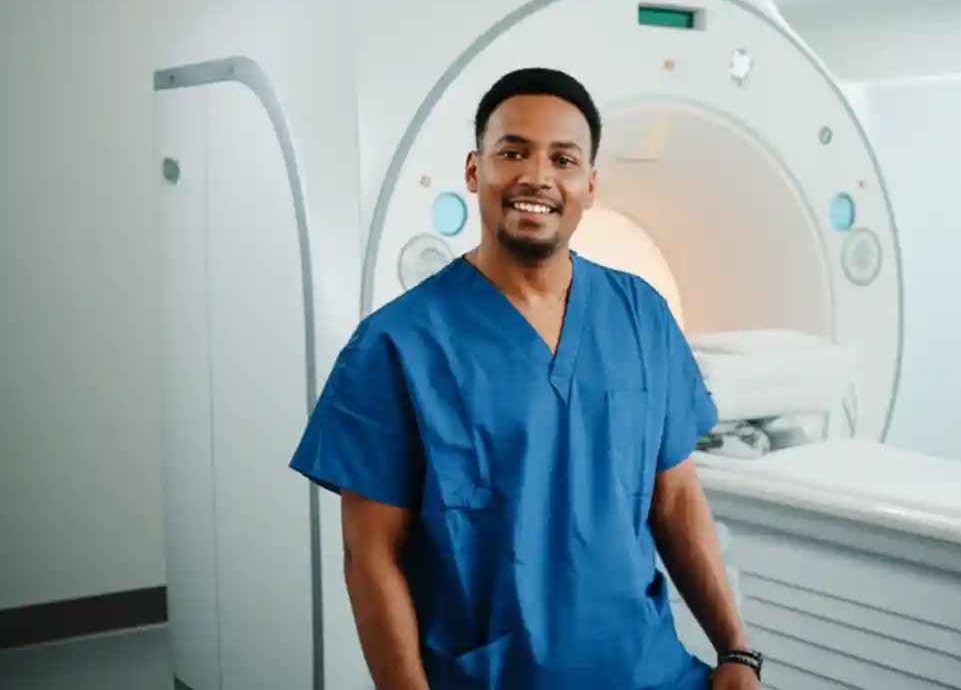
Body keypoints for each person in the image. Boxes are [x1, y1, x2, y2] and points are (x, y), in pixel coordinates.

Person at [289, 67, 764, 690]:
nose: (537, 176)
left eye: (562, 159)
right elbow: (371, 555)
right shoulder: (396, 344)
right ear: (473, 171)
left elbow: (675, 499)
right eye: (512, 152)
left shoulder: (640, 314)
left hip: (648, 671)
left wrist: (736, 652)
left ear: (589, 185)